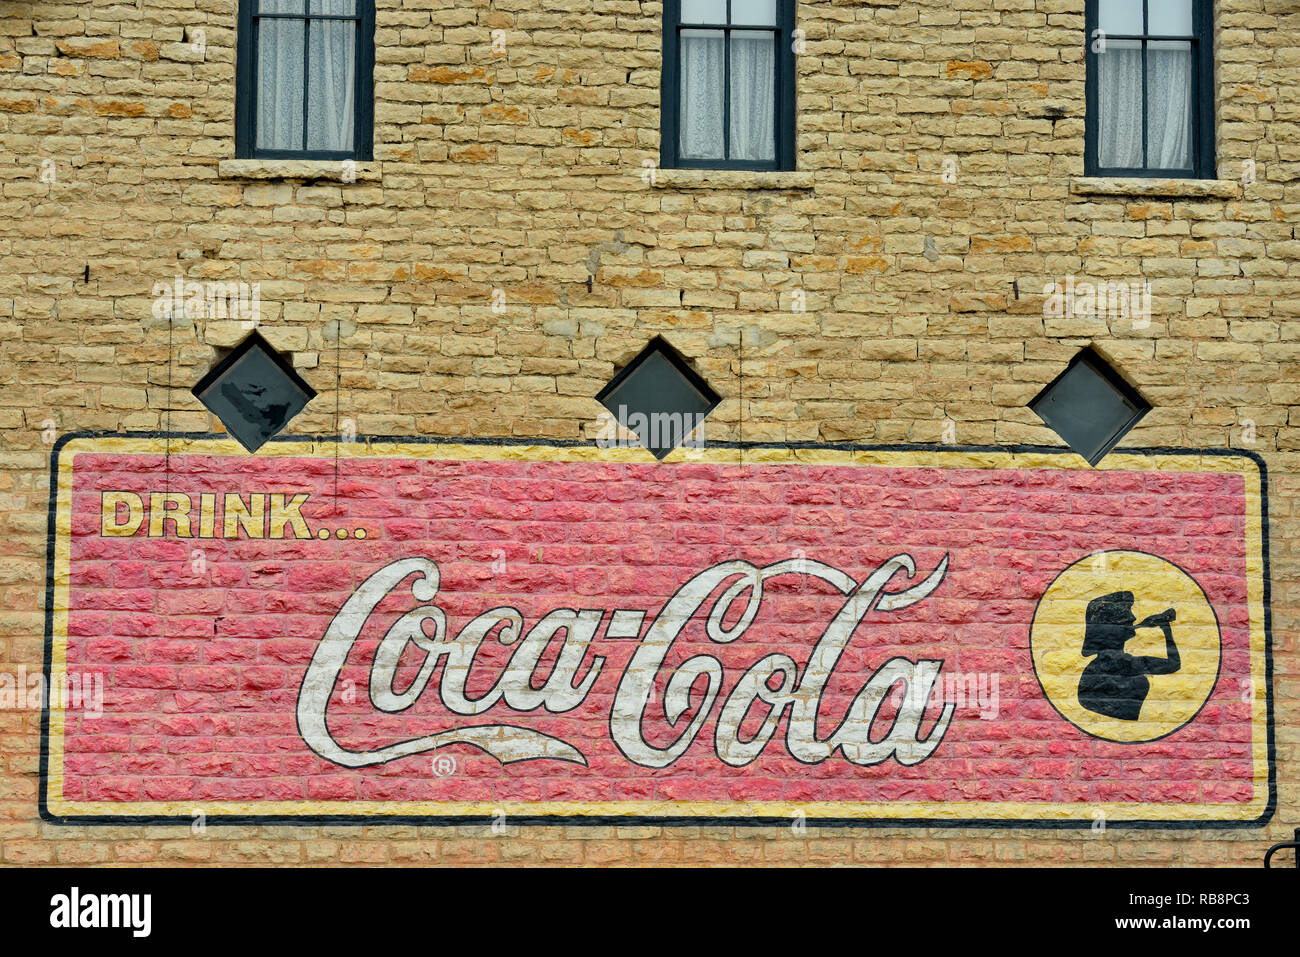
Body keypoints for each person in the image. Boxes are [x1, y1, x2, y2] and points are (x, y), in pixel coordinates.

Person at [1076, 591, 1178, 721]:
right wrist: (1166, 629)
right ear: (1111, 628)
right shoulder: (1116, 662)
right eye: (1125, 614)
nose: (1133, 618)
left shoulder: (1106, 662)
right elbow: (1173, 664)